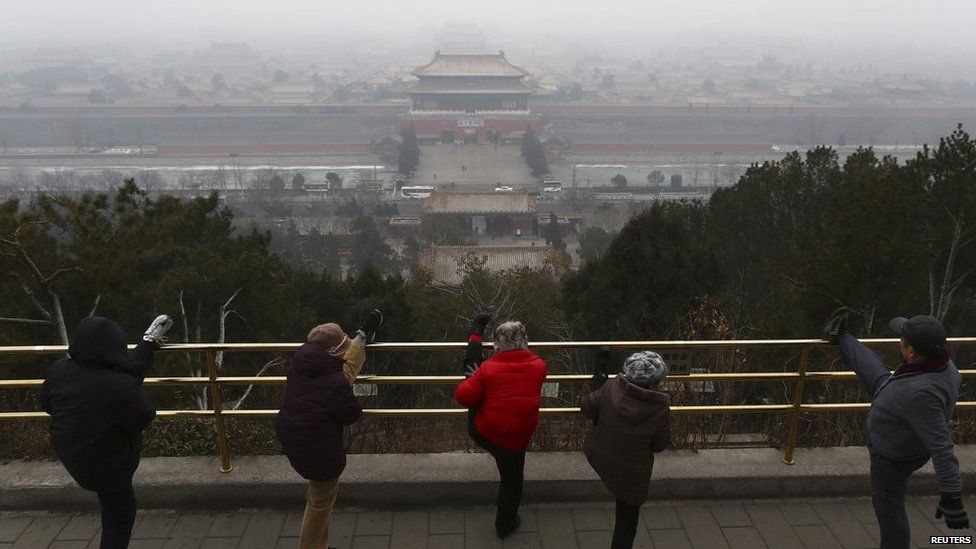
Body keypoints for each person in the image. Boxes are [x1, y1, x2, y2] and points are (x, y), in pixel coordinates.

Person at [826, 309, 968, 549]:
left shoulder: (921, 395)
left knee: (889, 508)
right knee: (873, 369)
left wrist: (952, 495)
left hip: (893, 455)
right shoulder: (944, 365)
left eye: (902, 339)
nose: (898, 340)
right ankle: (843, 336)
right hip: (895, 401)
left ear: (910, 351)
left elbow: (942, 446)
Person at [39, 314, 174, 549]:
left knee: (111, 503)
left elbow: (45, 403)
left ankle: (148, 339)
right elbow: (144, 416)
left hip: (73, 454)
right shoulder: (118, 386)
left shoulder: (60, 370)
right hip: (108, 465)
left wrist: (147, 345)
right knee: (120, 516)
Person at [275, 309, 383, 549]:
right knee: (319, 505)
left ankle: (319, 545)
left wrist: (360, 340)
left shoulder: (301, 362)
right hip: (316, 448)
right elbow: (351, 413)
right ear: (332, 352)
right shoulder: (333, 382)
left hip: (295, 436)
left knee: (318, 498)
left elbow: (340, 376)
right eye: (343, 347)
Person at [455, 314, 547, 539]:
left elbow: (463, 397)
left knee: (472, 375)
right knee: (512, 481)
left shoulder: (488, 369)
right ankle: (505, 525)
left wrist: (477, 378)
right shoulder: (539, 366)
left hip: (487, 432)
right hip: (518, 437)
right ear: (526, 342)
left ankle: (475, 336)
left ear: (497, 346)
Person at [580, 348, 671, 549]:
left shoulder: (610, 387)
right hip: (631, 472)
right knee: (627, 522)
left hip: (599, 454)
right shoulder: (659, 408)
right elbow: (659, 445)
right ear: (655, 382)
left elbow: (586, 407)